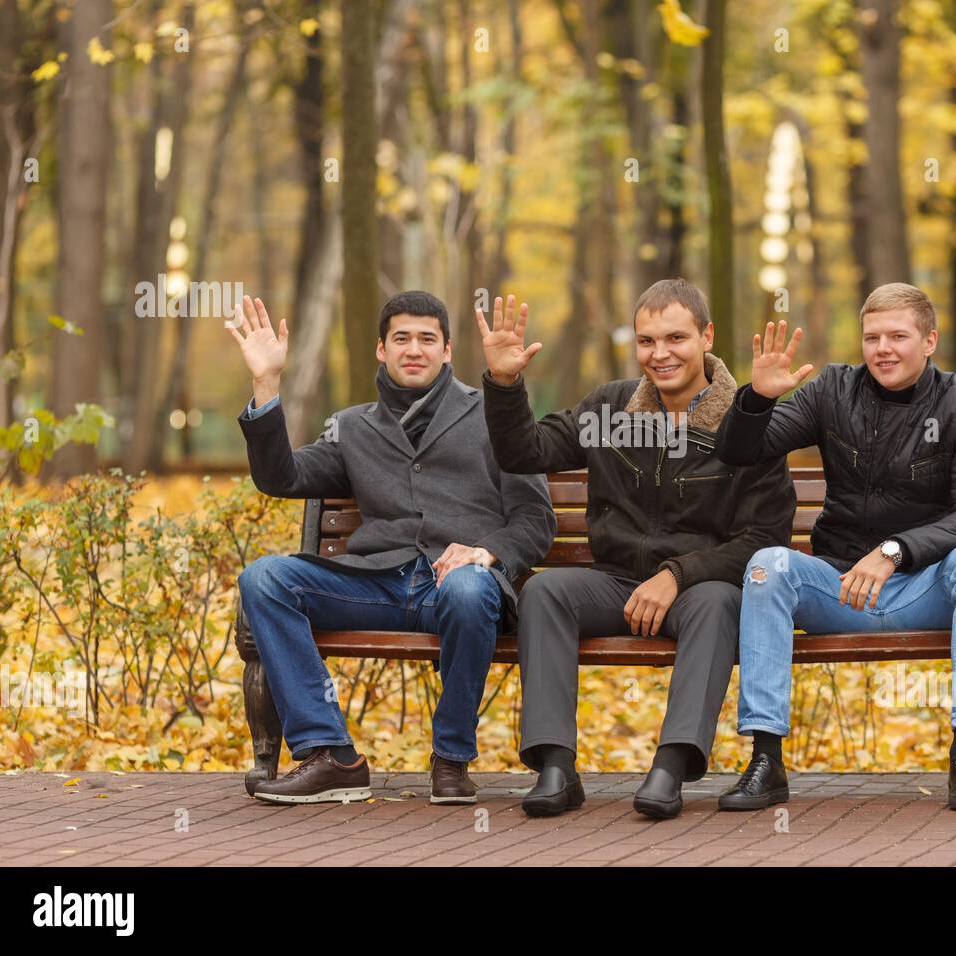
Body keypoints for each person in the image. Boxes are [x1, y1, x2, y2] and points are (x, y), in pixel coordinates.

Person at [478, 279, 795, 819]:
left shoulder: (746, 423)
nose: (660, 354)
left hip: (698, 589)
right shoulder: (609, 407)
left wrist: (677, 574)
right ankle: (556, 766)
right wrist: (505, 384)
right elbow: (524, 452)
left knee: (719, 603)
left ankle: (671, 766)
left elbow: (764, 541)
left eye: (675, 338)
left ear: (706, 336)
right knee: (546, 591)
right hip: (615, 582)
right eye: (647, 341)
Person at [229, 291, 555, 805]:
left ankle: (451, 758)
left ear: (447, 351)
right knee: (264, 578)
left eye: (428, 339)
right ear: (381, 350)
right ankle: (330, 754)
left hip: (456, 588)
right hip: (375, 583)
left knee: (469, 589)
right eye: (401, 338)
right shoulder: (352, 425)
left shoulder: (494, 416)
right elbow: (281, 477)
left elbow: (536, 519)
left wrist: (484, 553)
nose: (414, 349)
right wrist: (266, 383)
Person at [713, 282, 956, 812]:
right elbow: (739, 451)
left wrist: (896, 550)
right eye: (872, 337)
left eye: (898, 335)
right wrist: (756, 398)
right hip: (841, 589)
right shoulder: (831, 391)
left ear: (930, 340)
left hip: (925, 589)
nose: (883, 349)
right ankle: (765, 759)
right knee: (766, 567)